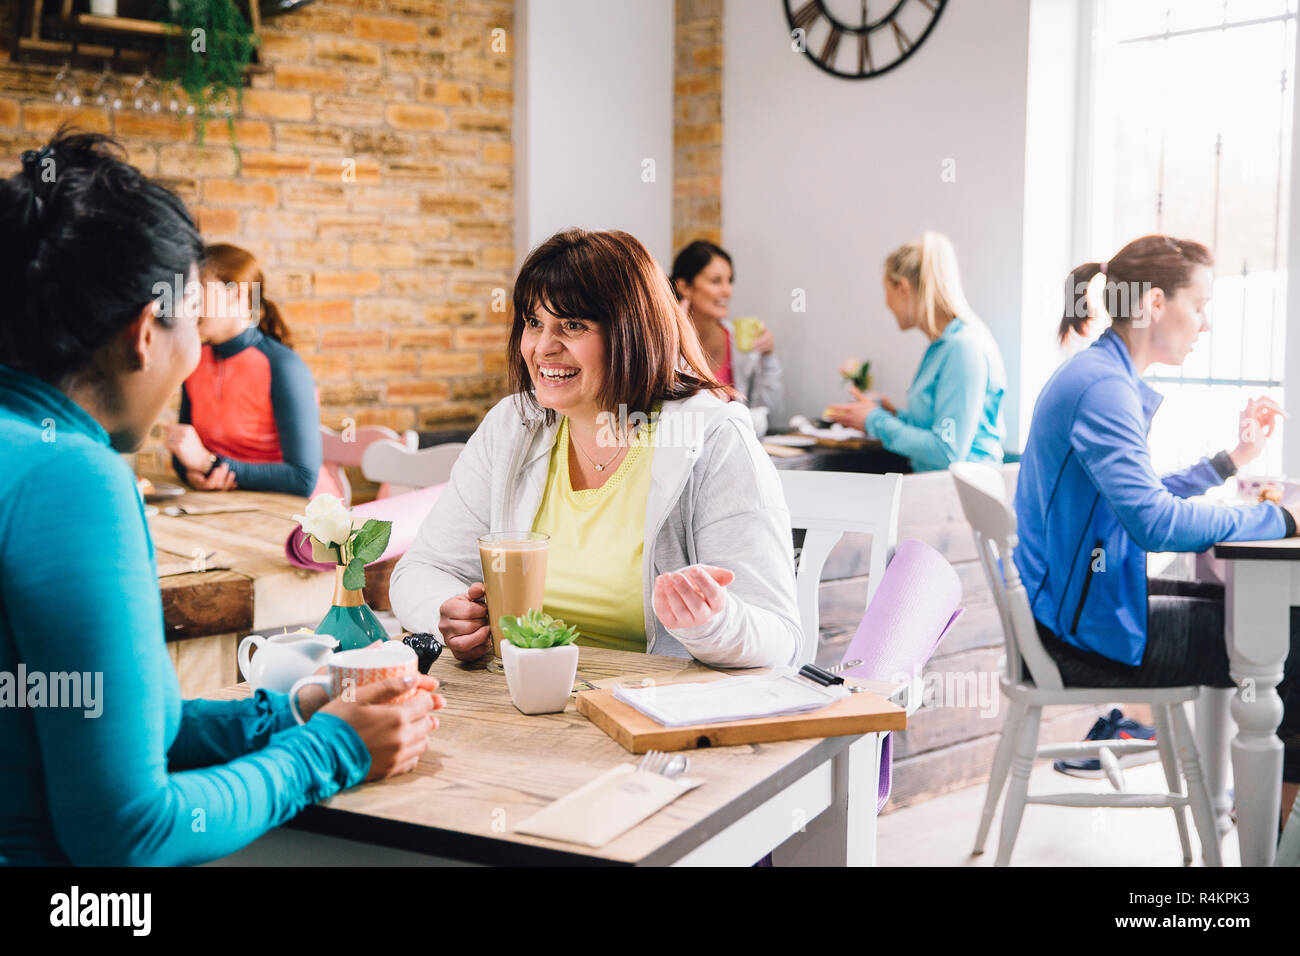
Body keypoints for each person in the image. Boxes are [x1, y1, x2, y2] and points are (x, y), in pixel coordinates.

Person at [0, 130, 442, 866]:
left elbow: (127, 729)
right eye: (190, 323)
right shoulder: (72, 478)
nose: (194, 354)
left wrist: (295, 710)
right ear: (145, 333)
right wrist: (332, 750)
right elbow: (128, 832)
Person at [390, 228, 802, 667]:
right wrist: (449, 613)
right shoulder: (512, 426)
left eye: (572, 325)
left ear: (632, 333)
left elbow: (780, 637)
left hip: (652, 702)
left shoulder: (711, 439)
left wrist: (713, 625)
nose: (543, 348)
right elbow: (421, 570)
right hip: (518, 695)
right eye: (533, 322)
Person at [1014, 233, 1300, 821]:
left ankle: (1256, 811)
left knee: (1262, 618)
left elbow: (1138, 501)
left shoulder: (1099, 375)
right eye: (1199, 306)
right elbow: (1153, 523)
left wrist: (1230, 462)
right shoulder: (1103, 389)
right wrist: (1282, 518)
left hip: (1069, 608)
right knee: (1287, 643)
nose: (1205, 324)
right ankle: (1272, 830)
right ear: (1153, 304)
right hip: (1073, 636)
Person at [163, 243, 339, 497]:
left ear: (237, 294)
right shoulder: (194, 361)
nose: (187, 304)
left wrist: (211, 465)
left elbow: (303, 478)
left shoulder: (283, 366)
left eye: (198, 291)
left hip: (301, 513)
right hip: (234, 507)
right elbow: (188, 454)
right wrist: (194, 472)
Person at [827, 232, 1006, 472]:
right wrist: (893, 415)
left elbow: (947, 451)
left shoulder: (963, 348)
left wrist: (875, 420)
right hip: (938, 486)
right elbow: (935, 430)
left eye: (886, 290)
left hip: (959, 491)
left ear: (903, 288)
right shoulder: (941, 347)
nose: (886, 303)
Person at [670, 239, 783, 423]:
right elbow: (662, 416)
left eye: (729, 281)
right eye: (716, 281)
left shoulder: (738, 342)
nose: (727, 291)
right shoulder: (664, 344)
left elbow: (770, 416)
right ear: (685, 287)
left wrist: (768, 358)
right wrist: (673, 342)